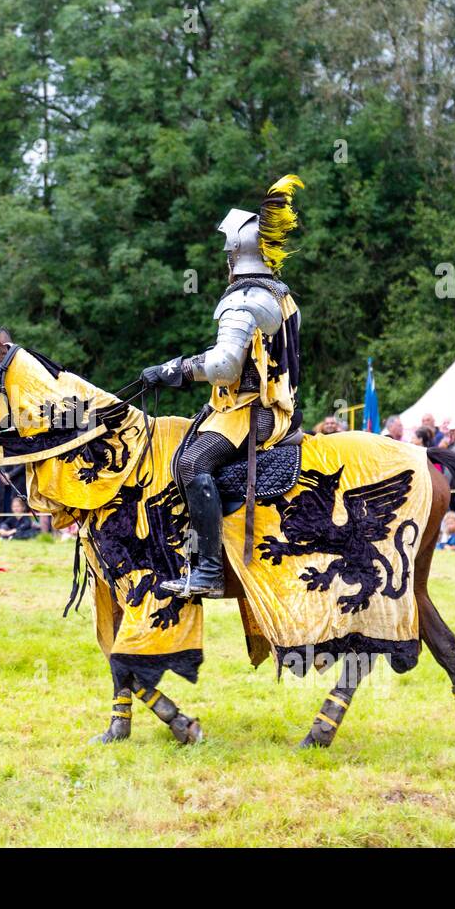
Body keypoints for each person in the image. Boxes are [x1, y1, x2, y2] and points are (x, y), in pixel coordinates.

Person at [140, 175, 304, 597]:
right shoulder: (279, 294)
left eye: (225, 252)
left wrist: (173, 369)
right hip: (259, 408)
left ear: (235, 255)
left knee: (191, 465)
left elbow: (225, 365)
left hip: (253, 412)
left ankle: (208, 572)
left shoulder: (245, 298)